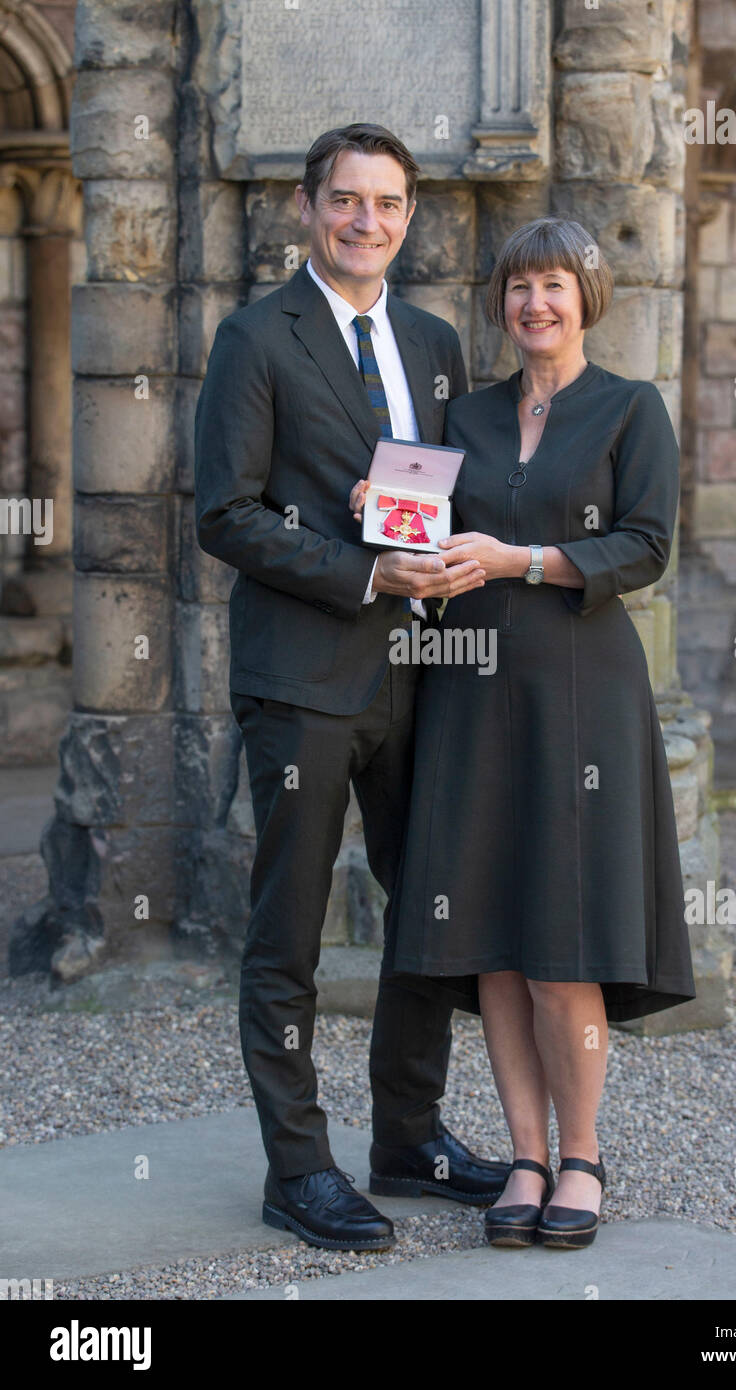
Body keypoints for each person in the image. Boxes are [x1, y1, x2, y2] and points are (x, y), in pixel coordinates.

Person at [351, 215, 696, 1251]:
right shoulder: (467, 416)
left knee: (563, 940)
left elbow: (645, 546)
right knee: (492, 943)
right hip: (468, 690)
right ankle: (525, 1154)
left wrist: (520, 561)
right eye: (517, 288)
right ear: (499, 302)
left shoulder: (631, 410)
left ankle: (581, 1153)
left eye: (553, 286)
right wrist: (378, 508)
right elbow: (415, 534)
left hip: (581, 693)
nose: (533, 304)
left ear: (586, 298)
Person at [194, 123, 508, 1253]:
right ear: (307, 208)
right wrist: (365, 569)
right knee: (289, 927)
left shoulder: (430, 341)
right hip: (306, 678)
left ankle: (408, 1137)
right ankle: (298, 1168)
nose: (364, 221)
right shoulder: (253, 338)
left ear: (408, 216)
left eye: (384, 203)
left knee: (430, 909)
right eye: (344, 201)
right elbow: (223, 514)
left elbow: (441, 491)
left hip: (422, 673)